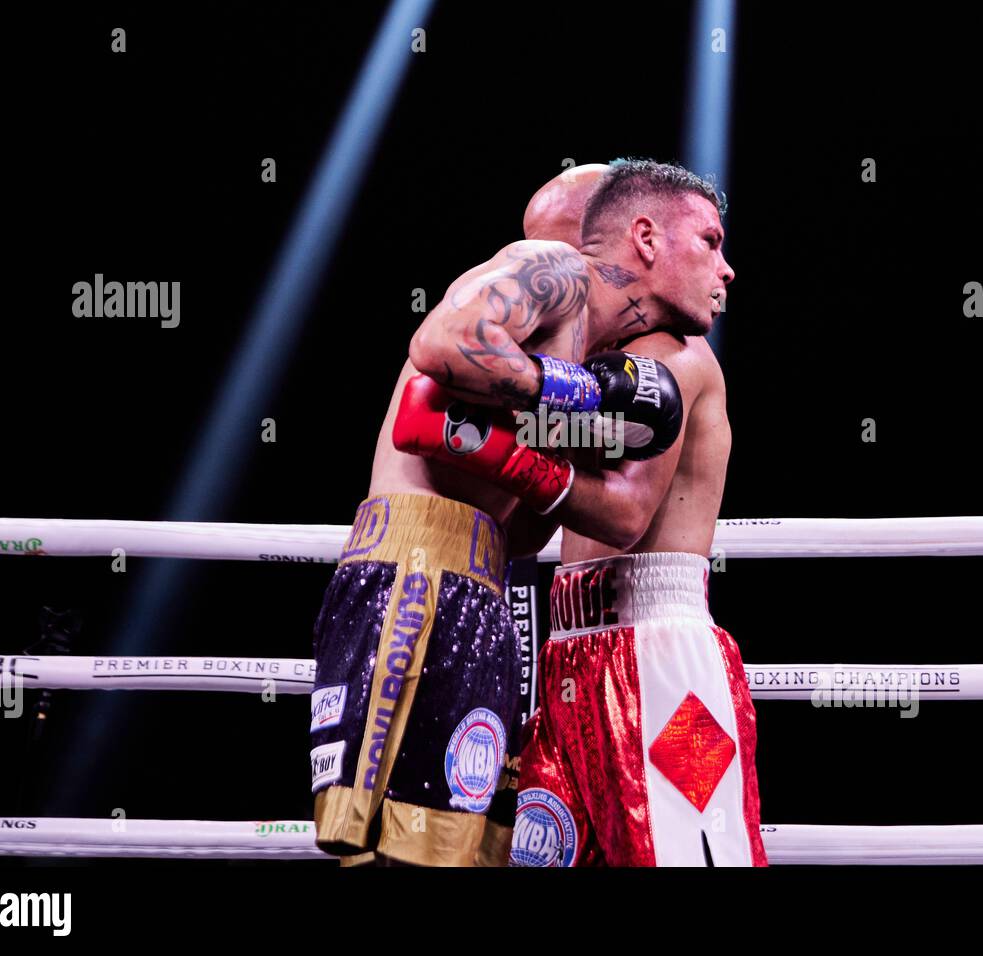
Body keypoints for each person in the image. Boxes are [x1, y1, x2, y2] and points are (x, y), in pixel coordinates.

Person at [310, 159, 725, 866]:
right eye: (711, 241)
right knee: (390, 853)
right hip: (418, 571)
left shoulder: (597, 353)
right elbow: (441, 345)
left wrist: (541, 436)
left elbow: (532, 522)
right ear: (633, 235)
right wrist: (574, 392)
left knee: (461, 849)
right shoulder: (552, 270)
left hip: (484, 586)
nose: (725, 267)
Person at [508, 161, 767, 866]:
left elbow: (624, 517)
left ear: (616, 236)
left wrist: (496, 449)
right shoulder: (582, 364)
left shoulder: (670, 358)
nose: (542, 267)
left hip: (661, 659)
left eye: (557, 246)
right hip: (567, 651)